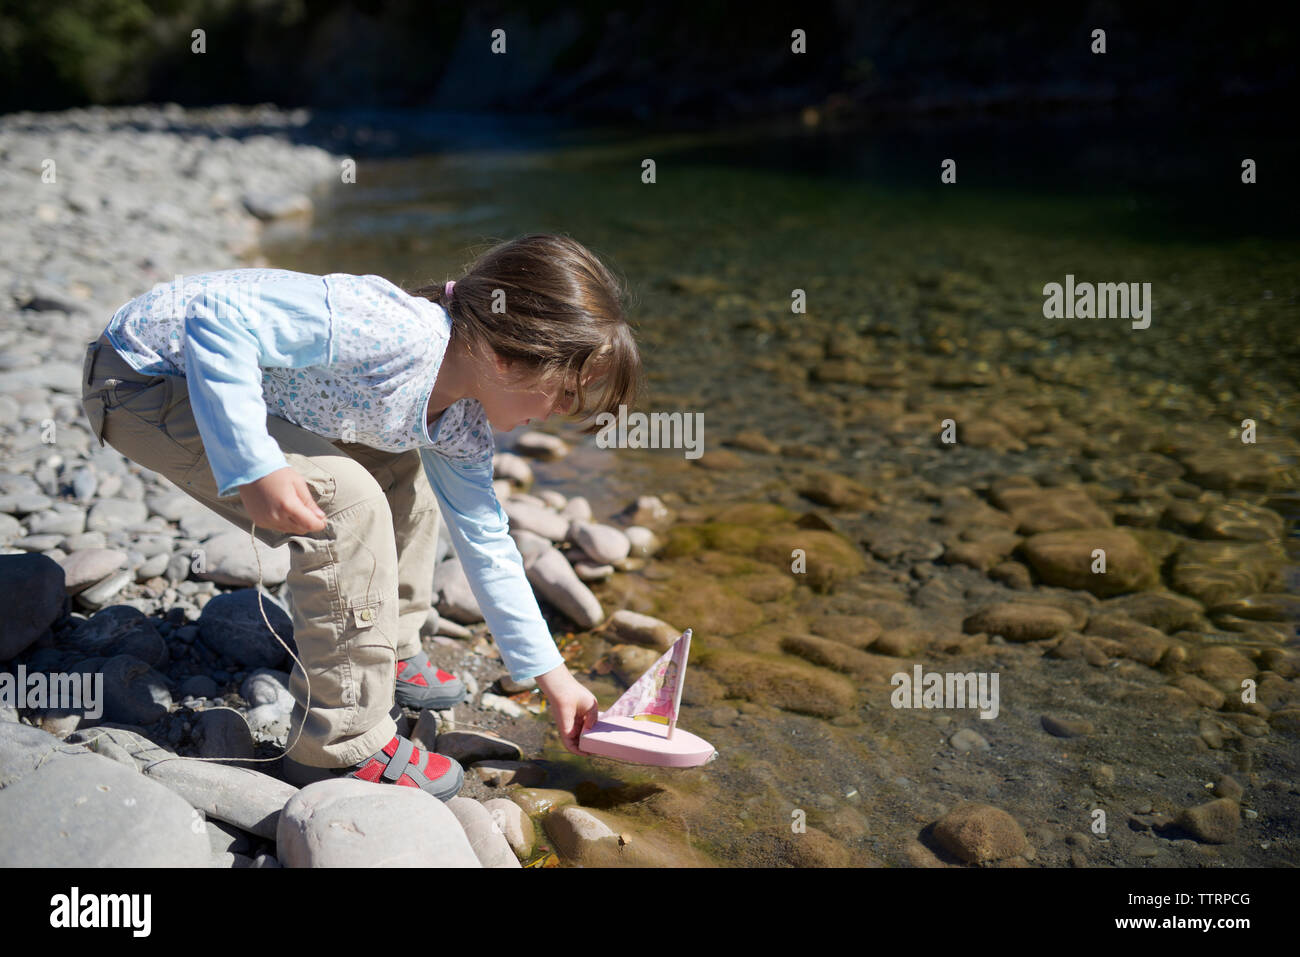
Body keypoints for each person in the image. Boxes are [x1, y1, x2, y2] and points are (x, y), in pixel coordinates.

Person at [79, 233, 642, 801]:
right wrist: (252, 464)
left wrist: (555, 679)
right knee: (349, 502)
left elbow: (487, 542)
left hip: (218, 382)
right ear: (506, 356)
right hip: (141, 379)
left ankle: (387, 652)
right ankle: (336, 747)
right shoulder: (392, 332)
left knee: (404, 477)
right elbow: (216, 318)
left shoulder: (460, 423)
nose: (555, 414)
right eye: (563, 395)